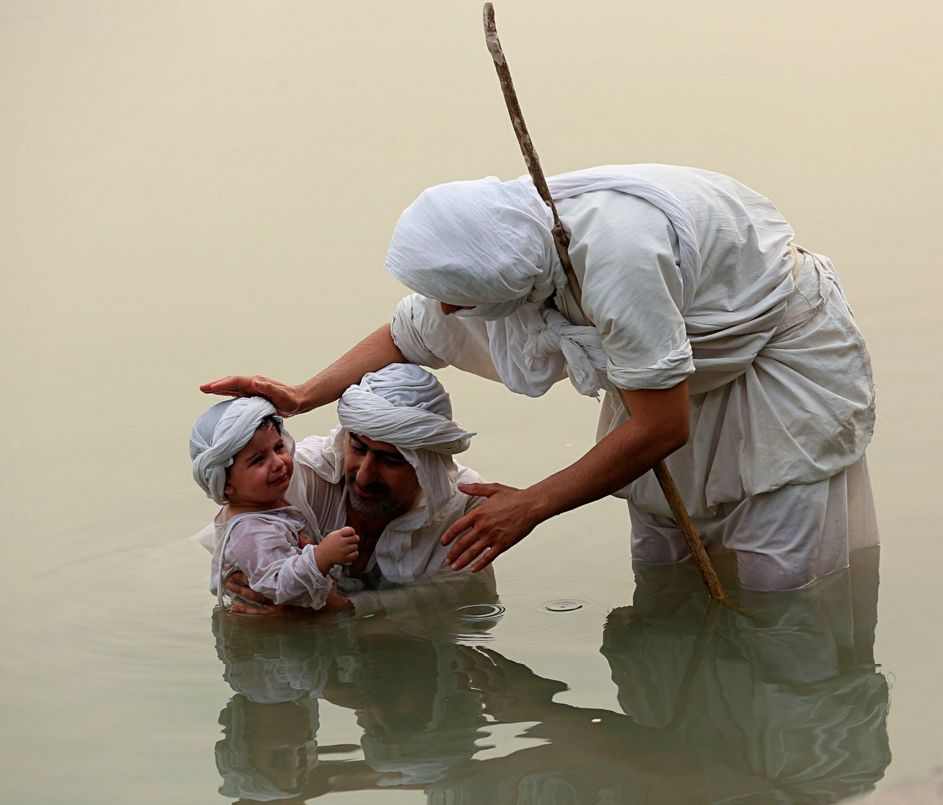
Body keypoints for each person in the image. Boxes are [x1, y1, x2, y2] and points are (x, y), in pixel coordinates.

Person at [204, 164, 877, 590]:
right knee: (661, 552)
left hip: (771, 364)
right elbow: (408, 335)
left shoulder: (617, 260)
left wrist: (533, 505)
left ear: (498, 279)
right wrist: (301, 396)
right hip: (664, 378)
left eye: (455, 297)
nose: (447, 310)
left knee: (775, 572)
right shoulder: (508, 246)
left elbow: (662, 426)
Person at [220, 363, 485, 614]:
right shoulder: (295, 478)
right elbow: (240, 582)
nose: (365, 476)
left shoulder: (466, 503)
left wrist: (341, 610)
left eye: (390, 461)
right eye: (358, 448)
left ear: (426, 466)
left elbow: (464, 600)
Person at [190, 397, 360, 609]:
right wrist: (321, 557)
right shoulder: (249, 530)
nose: (278, 463)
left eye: (279, 448)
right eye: (258, 460)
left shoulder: (262, 502)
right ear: (225, 483)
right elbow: (277, 585)